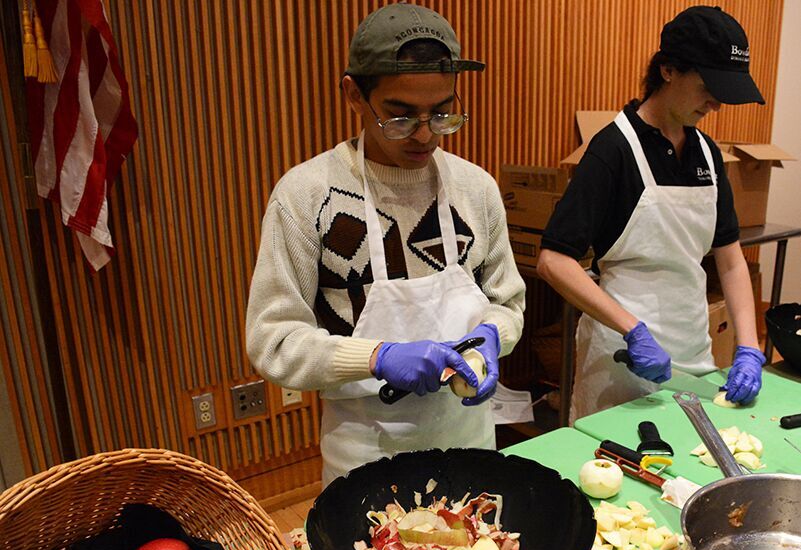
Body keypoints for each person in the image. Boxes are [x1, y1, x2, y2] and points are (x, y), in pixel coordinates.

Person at [246, 3, 525, 486]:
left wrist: (488, 342)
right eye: (399, 117)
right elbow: (275, 341)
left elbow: (508, 302)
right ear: (354, 94)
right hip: (365, 454)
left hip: (470, 441)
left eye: (441, 115)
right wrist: (375, 358)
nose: (424, 135)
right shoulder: (307, 195)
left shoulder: (475, 189)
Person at [538, 6, 766, 422]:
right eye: (707, 87)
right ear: (668, 70)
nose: (715, 103)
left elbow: (730, 259)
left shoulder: (707, 154)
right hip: (622, 358)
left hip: (693, 350)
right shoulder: (613, 150)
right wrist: (633, 329)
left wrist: (748, 345)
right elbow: (553, 260)